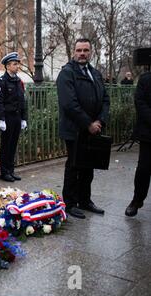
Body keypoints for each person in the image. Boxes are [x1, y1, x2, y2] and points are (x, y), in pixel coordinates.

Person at [56, 38, 110, 219]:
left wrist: (100, 121)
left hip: (94, 128)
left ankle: (85, 200)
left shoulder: (95, 73)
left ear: (90, 52)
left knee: (89, 166)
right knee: (74, 165)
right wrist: (88, 123)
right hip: (75, 128)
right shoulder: (67, 73)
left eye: (85, 50)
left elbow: (105, 99)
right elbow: (69, 104)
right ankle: (70, 203)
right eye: (79, 50)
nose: (82, 53)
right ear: (73, 52)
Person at [0, 52, 28, 182]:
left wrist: (24, 118)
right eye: (14, 64)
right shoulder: (1, 82)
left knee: (13, 145)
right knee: (6, 146)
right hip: (7, 118)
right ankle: (4, 172)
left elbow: (23, 101)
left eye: (17, 63)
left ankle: (11, 170)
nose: (17, 66)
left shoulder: (19, 81)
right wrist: (1, 119)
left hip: (17, 117)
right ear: (7, 66)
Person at [125, 71, 151, 217]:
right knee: (143, 169)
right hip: (148, 133)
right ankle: (137, 200)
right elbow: (140, 103)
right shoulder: (145, 79)